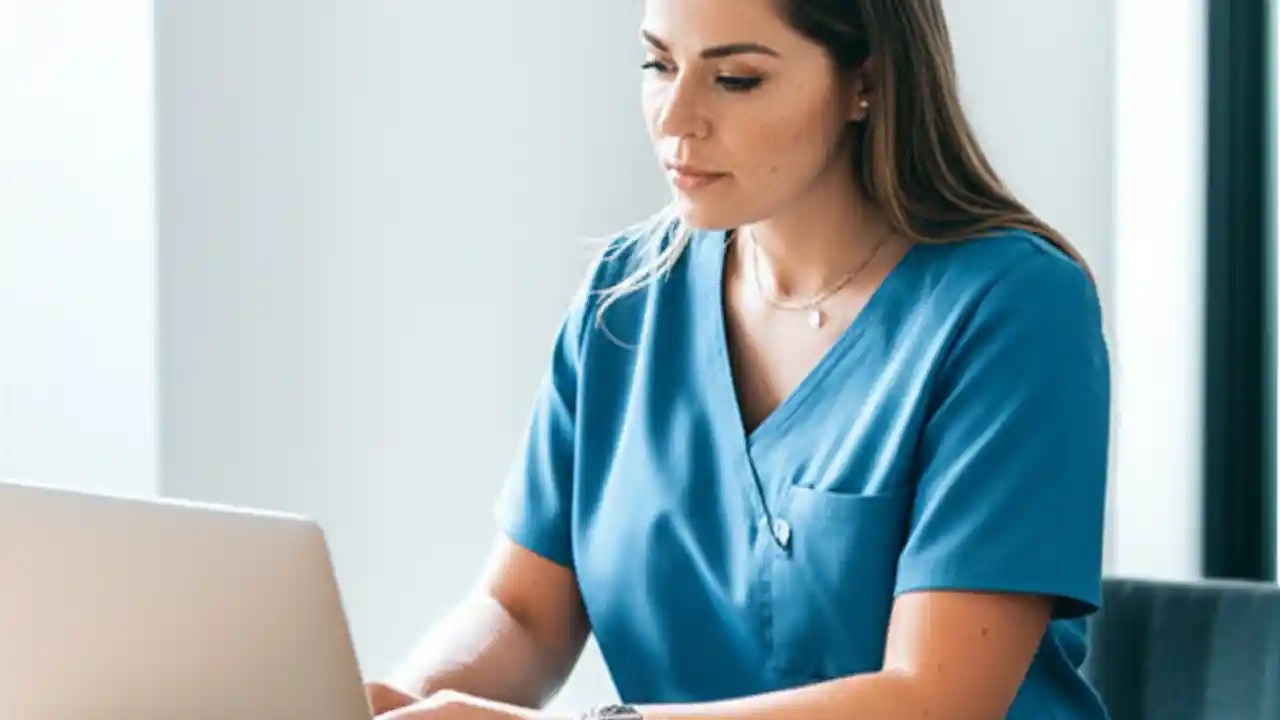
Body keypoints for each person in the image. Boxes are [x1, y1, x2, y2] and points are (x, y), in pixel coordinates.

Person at [365, 0, 1112, 718]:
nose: (676, 119)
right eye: (658, 65)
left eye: (735, 79)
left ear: (868, 82)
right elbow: (525, 614)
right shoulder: (625, 296)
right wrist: (394, 703)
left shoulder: (1015, 309)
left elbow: (935, 701)